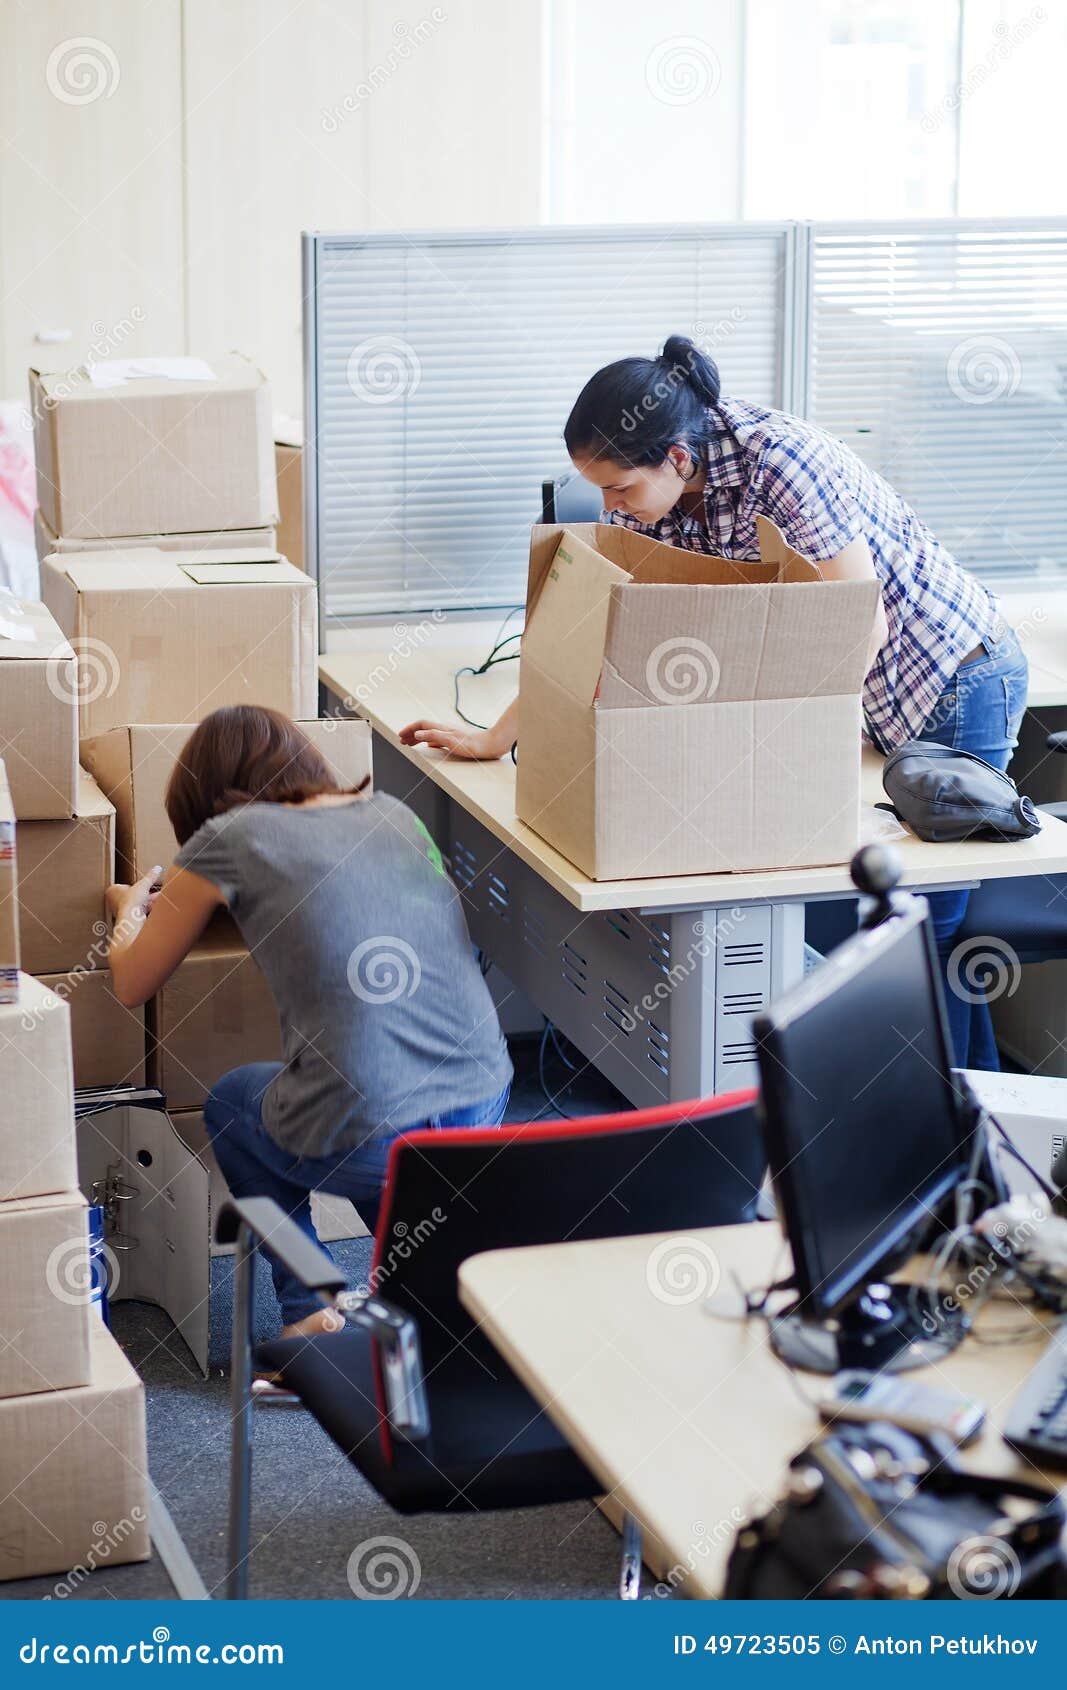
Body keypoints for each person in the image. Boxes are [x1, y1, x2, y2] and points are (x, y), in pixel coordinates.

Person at [400, 335, 1028, 1070]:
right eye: (598, 489)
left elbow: (860, 621)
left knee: (922, 932)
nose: (608, 506)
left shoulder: (781, 464)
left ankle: (956, 1148)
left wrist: (800, 749)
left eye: (619, 488)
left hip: (949, 674)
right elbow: (589, 632)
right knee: (910, 934)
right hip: (868, 690)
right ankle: (964, 1130)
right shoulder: (652, 502)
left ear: (675, 456)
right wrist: (497, 737)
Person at [106, 705, 512, 1337]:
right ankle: (417, 1274)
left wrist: (129, 909)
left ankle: (309, 1306)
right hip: (483, 1110)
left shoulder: (227, 838)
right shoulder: (394, 816)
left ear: (207, 800)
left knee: (230, 1107)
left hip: (374, 1138)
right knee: (368, 1098)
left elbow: (132, 981)